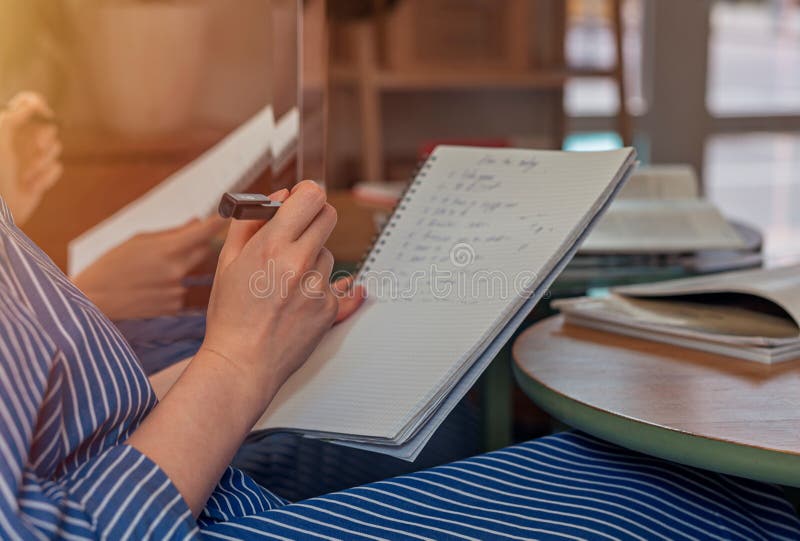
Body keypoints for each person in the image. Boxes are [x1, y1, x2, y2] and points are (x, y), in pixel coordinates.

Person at [1, 176, 800, 539]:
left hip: (162, 464)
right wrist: (237, 361)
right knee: (706, 492)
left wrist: (262, 351)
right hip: (182, 512)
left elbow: (54, 427)